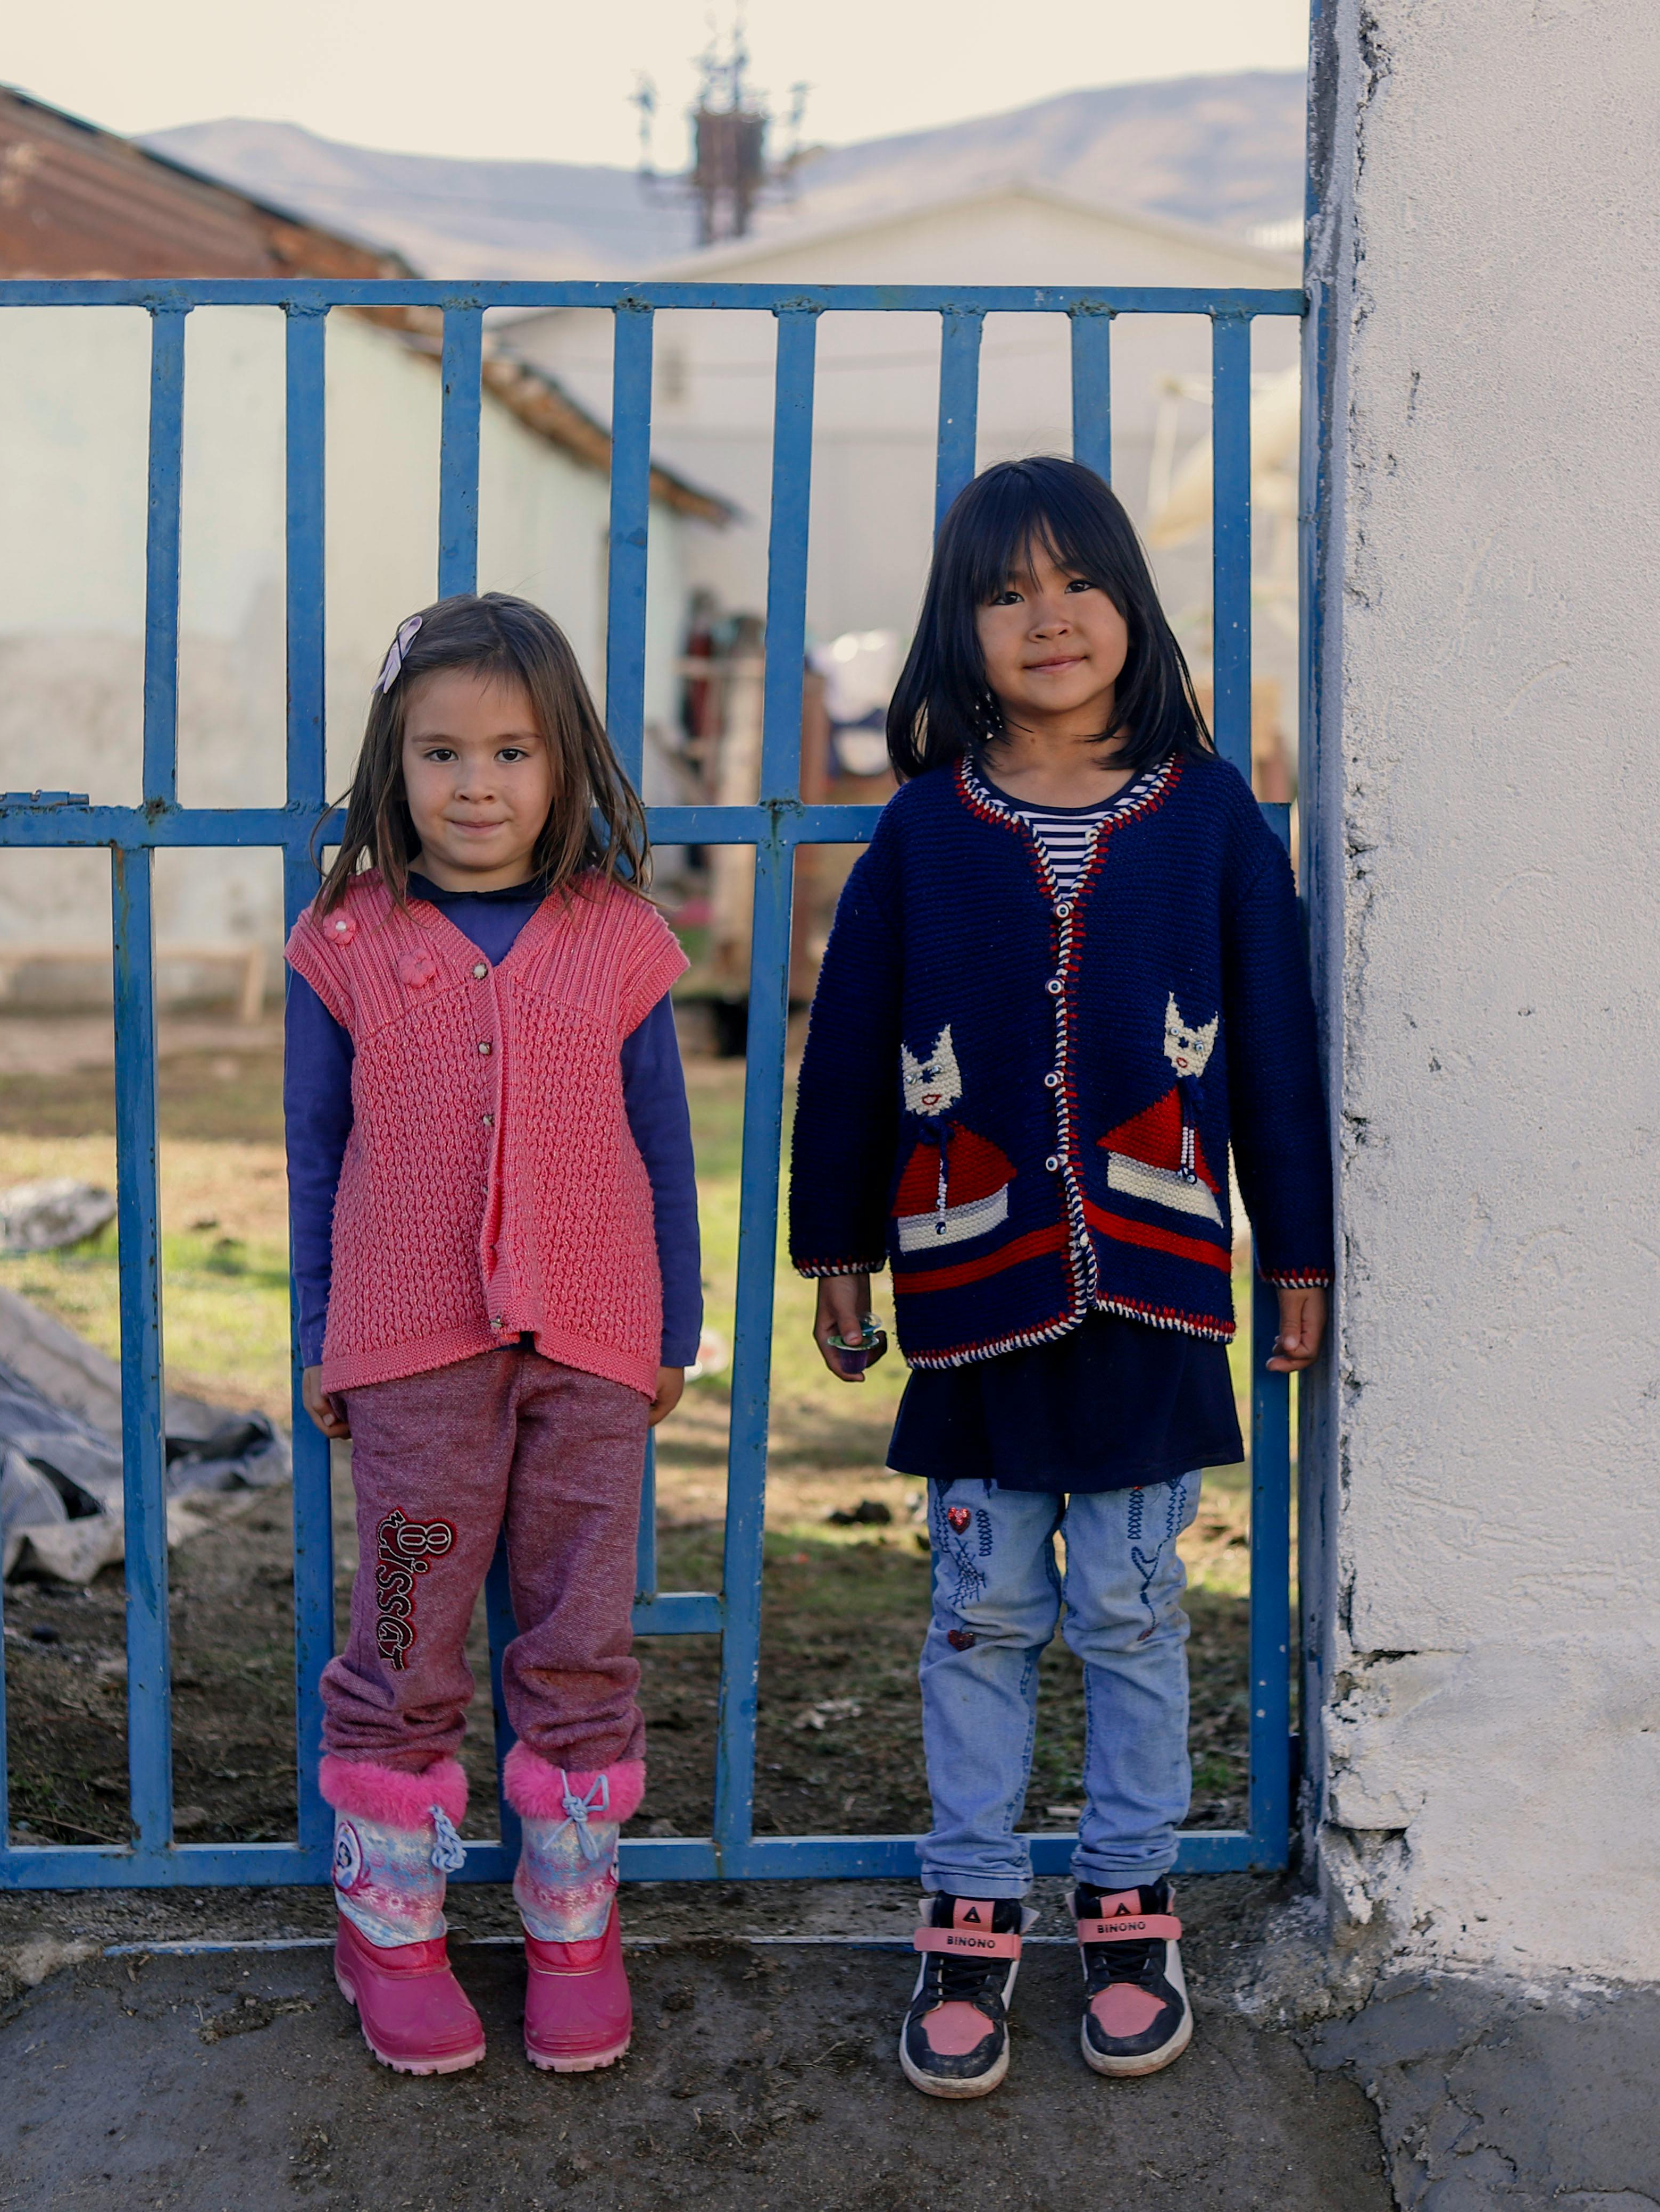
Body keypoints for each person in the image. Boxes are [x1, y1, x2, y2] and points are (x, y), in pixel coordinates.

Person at [786, 457, 1332, 2098]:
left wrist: (1295, 1245)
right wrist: (836, 1247)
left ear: (1130, 609)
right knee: (979, 1612)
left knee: (1131, 1609)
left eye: (1075, 581)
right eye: (1003, 590)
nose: (1046, 616)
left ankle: (1127, 1902)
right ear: (958, 632)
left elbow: (1278, 1054)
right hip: (975, 1298)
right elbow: (849, 1055)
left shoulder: (1213, 821)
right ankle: (968, 1908)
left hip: (1154, 1301)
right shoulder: (927, 834)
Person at [285, 592, 698, 2076]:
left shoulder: (616, 943)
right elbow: (316, 1152)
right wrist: (324, 1338)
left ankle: (569, 1905)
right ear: (393, 769)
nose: (476, 785)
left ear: (567, 763)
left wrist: (676, 1327)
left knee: (582, 1628)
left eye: (513, 752)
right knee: (410, 1623)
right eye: (441, 752)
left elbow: (662, 1142)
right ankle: (389, 1913)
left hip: (595, 1346)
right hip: (410, 1358)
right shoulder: (347, 945)